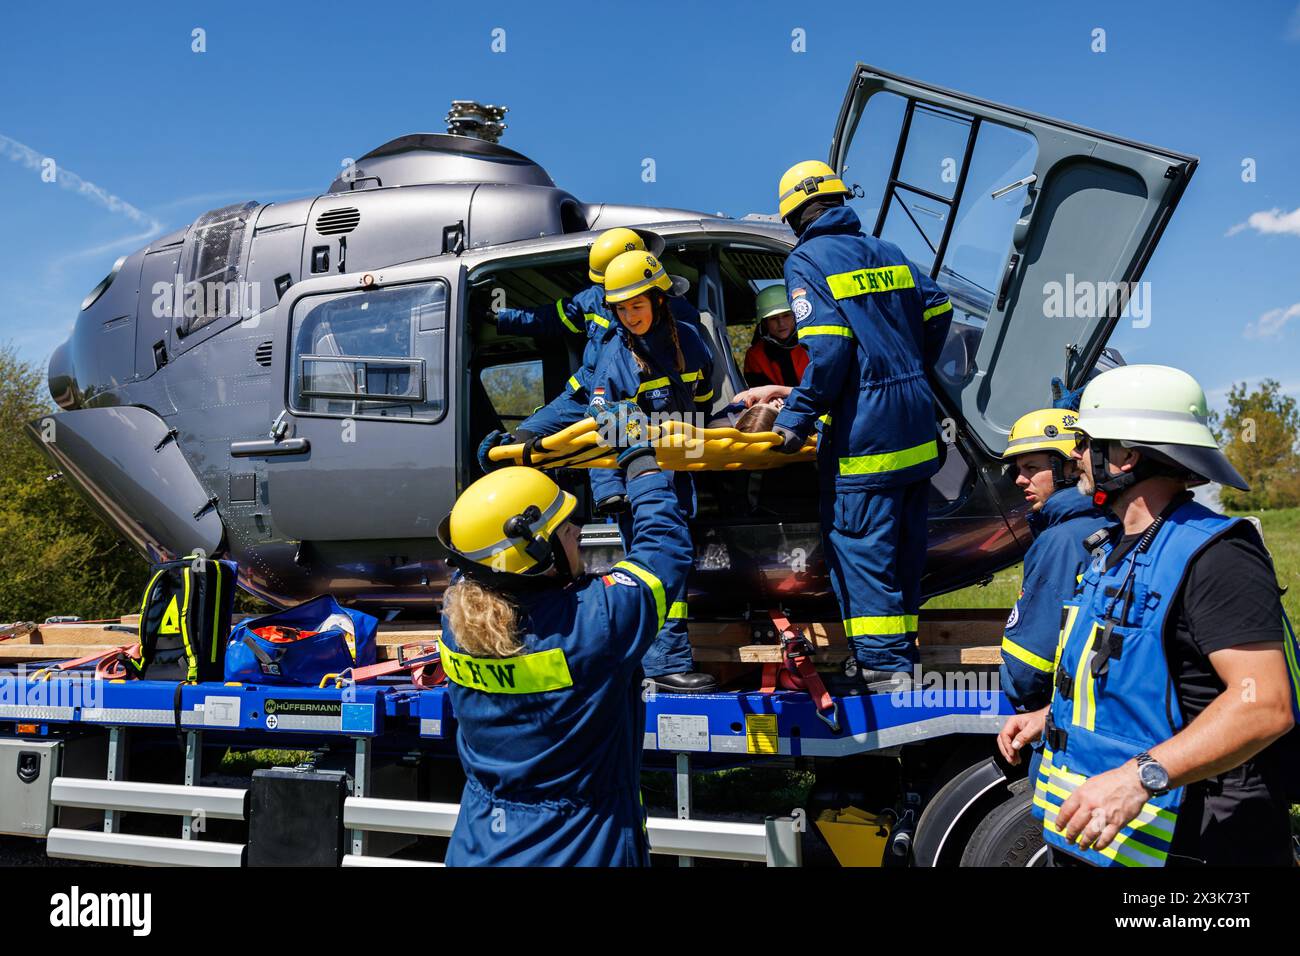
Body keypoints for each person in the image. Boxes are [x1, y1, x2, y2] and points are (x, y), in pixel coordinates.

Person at [997, 364, 1299, 867]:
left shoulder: (1217, 555)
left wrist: (1137, 778)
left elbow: (1264, 704)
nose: (1074, 456)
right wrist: (1055, 715)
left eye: (1086, 441)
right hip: (1112, 845)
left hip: (1201, 844)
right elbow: (1144, 681)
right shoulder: (1110, 549)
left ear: (1127, 455)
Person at [435, 426, 692, 866]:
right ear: (535, 552)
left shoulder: (457, 622)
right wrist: (641, 464)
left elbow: (483, 549)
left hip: (481, 848)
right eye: (565, 529)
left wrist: (507, 477)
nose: (576, 530)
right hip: (580, 849)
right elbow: (664, 548)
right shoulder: (596, 622)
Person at [745, 159, 953, 690]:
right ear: (839, 200)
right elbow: (938, 306)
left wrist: (795, 418)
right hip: (914, 423)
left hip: (867, 433)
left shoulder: (808, 261)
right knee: (905, 548)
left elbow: (831, 350)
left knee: (862, 547)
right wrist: (905, 363)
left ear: (793, 217)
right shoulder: (887, 250)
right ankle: (897, 654)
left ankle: (883, 667)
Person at [585, 249, 718, 693]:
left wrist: (697, 446)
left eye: (636, 305)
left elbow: (701, 399)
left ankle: (659, 663)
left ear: (659, 300)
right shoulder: (614, 357)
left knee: (674, 565)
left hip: (677, 476)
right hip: (640, 480)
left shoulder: (691, 342)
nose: (629, 316)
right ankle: (663, 665)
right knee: (656, 565)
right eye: (621, 309)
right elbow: (602, 420)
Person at [478, 228, 700, 470]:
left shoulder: (671, 306)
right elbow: (552, 318)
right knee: (521, 447)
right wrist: (503, 317)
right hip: (582, 397)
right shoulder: (592, 298)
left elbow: (688, 359)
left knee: (627, 459)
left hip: (634, 400)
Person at [997, 408, 1117, 784]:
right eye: (1018, 468)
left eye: (1031, 467)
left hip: (1061, 726)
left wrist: (1018, 697)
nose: (1019, 479)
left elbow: (1028, 662)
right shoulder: (1111, 523)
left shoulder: (1060, 541)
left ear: (1068, 469)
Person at [743, 283, 808, 388]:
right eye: (773, 318)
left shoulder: (811, 343)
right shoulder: (755, 355)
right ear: (764, 323)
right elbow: (759, 392)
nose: (781, 323)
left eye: (786, 315)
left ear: (795, 316)